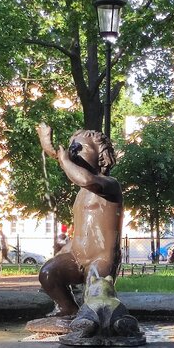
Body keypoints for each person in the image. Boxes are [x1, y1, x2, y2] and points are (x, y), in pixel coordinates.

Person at [36, 123, 122, 317]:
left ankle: (100, 320)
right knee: (48, 273)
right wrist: (48, 146)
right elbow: (74, 172)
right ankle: (68, 309)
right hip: (76, 256)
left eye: (81, 148)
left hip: (101, 259)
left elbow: (85, 179)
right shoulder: (81, 192)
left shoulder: (109, 185)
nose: (74, 151)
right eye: (72, 147)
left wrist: (64, 159)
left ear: (102, 157)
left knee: (97, 296)